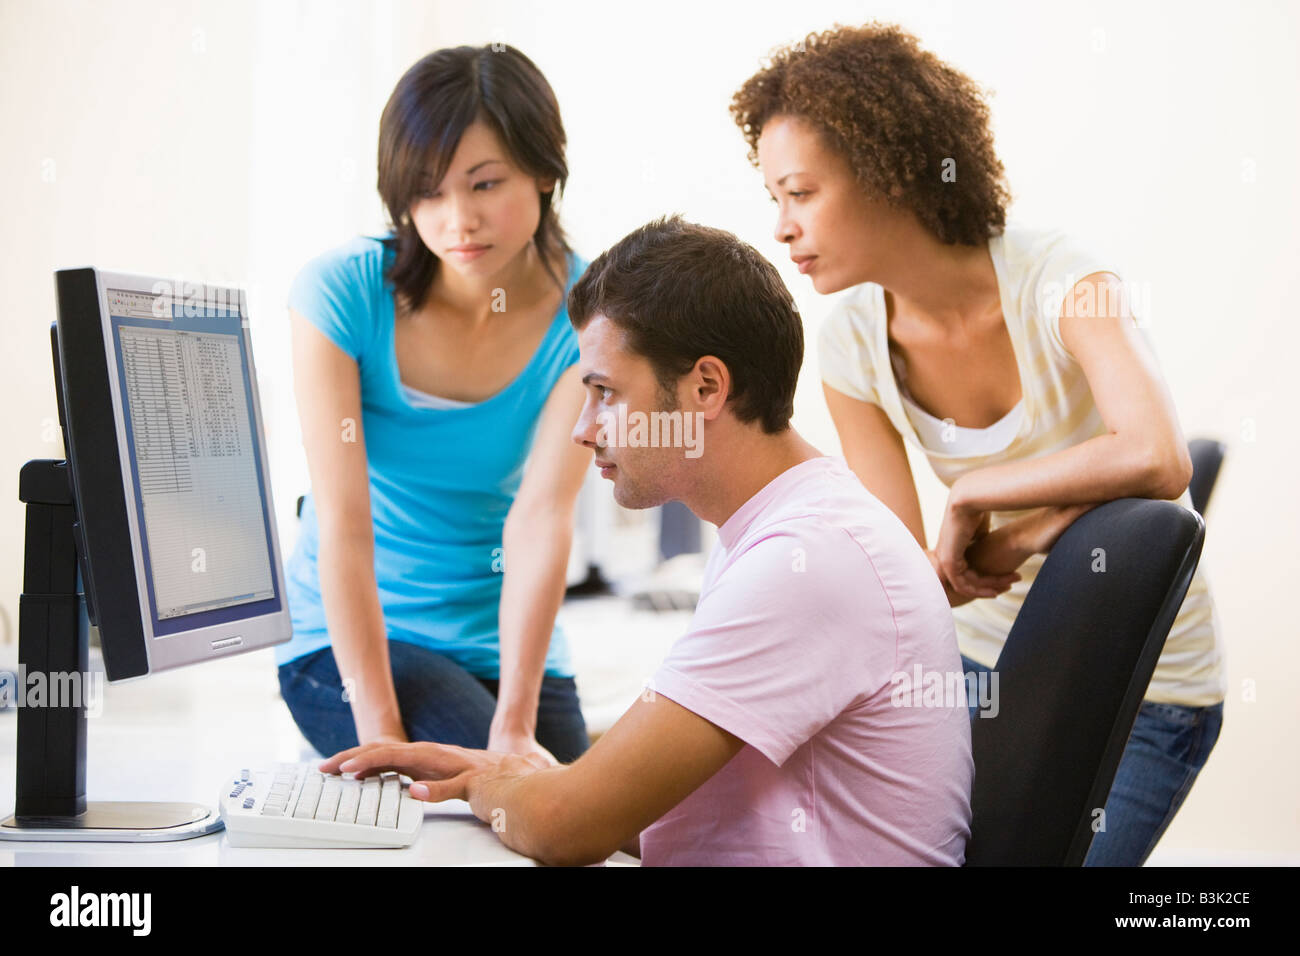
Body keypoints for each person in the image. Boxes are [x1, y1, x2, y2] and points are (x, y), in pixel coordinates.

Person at [320, 216, 973, 866]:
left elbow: (561, 829)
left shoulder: (806, 561)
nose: (584, 428)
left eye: (606, 393)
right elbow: (663, 812)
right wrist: (501, 776)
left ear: (705, 389)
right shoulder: (790, 529)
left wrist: (516, 791)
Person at [730, 23, 1225, 866]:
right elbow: (906, 576)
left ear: (887, 168)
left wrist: (975, 496)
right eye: (774, 198)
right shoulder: (852, 341)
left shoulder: (1062, 281)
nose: (781, 226)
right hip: (979, 671)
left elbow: (1157, 453)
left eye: (801, 193)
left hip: (1149, 692)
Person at [278, 44, 592, 765]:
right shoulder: (342, 294)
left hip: (503, 641)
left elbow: (542, 518)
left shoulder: (588, 312)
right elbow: (344, 527)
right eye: (427, 192)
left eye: (484, 184)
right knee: (512, 815)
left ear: (545, 170)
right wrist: (381, 734)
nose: (458, 220)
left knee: (589, 822)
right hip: (354, 641)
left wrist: (515, 723)